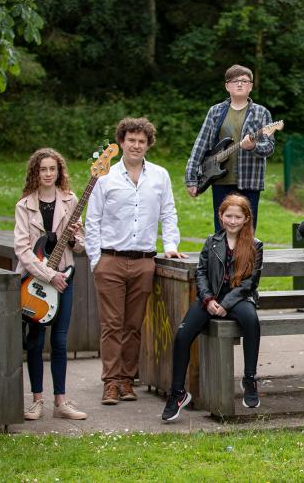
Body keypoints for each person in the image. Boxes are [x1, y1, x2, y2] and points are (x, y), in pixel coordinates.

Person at [86, 117, 187, 405]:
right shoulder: (105, 176)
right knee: (111, 325)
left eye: (142, 141)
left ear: (148, 145)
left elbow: (168, 213)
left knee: (133, 325)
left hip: (144, 261)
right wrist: (96, 260)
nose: (136, 145)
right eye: (131, 140)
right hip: (111, 261)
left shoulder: (160, 176)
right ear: (121, 142)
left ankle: (128, 381)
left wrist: (170, 246)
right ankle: (110, 382)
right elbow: (92, 220)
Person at [162, 194, 263, 421]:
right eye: (229, 216)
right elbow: (201, 273)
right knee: (182, 335)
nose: (233, 221)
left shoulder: (255, 245)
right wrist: (207, 300)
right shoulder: (211, 241)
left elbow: (250, 283)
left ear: (246, 219)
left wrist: (226, 305)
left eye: (238, 217)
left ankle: (249, 379)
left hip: (239, 299)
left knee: (251, 321)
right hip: (210, 299)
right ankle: (177, 392)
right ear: (221, 216)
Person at [14, 148, 87, 420]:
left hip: (64, 278)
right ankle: (36, 401)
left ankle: (61, 401)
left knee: (60, 340)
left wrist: (76, 237)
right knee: (34, 341)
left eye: (52, 169)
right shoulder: (24, 205)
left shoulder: (70, 201)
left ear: (59, 172)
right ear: (36, 172)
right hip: (35, 281)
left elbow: (80, 247)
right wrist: (48, 274)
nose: (47, 174)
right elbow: (22, 249)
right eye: (43, 169)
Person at [185, 64, 276, 231]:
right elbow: (201, 144)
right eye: (234, 81)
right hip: (220, 180)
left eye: (244, 81)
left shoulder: (262, 113)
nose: (239, 84)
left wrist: (253, 147)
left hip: (250, 181)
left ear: (251, 86)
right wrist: (191, 178)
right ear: (227, 86)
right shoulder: (215, 111)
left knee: (247, 230)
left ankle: (246, 258)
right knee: (221, 229)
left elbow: (269, 147)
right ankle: (220, 257)